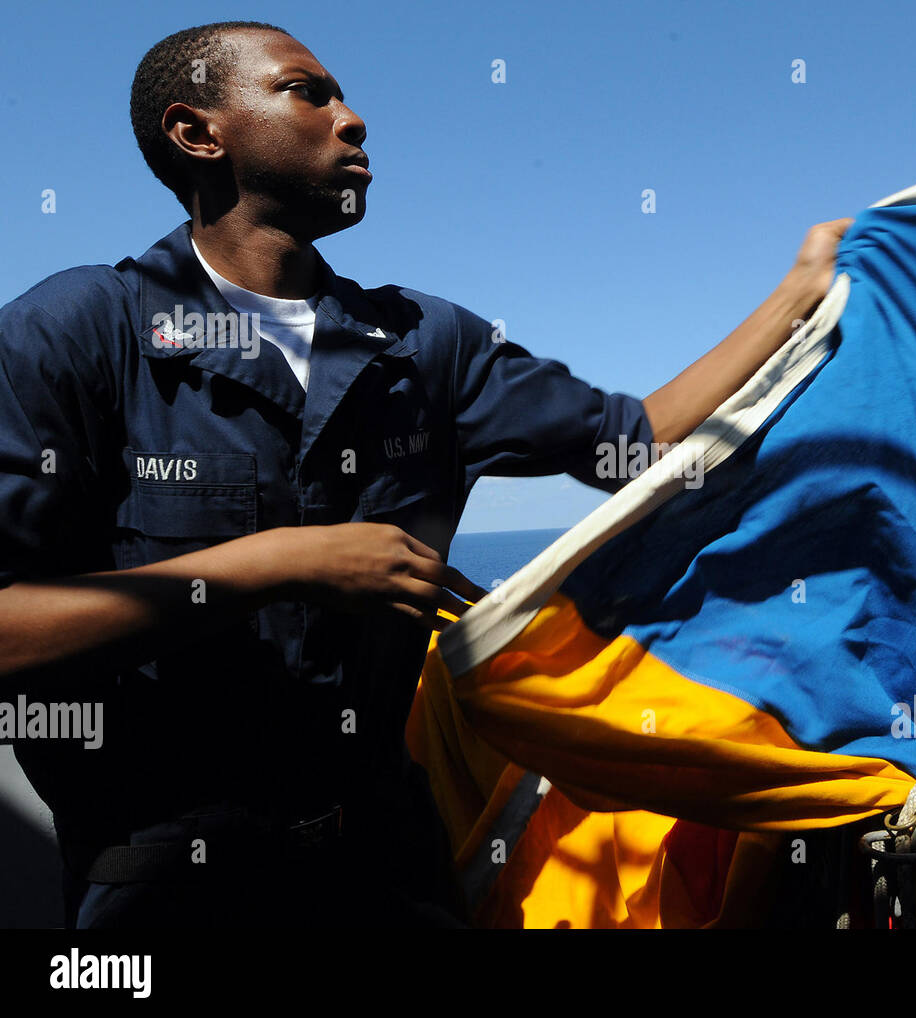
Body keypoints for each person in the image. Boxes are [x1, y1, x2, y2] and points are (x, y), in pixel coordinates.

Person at [0, 20, 851, 928]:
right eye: (309, 92)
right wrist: (275, 565)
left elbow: (635, 445)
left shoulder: (426, 343)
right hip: (167, 888)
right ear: (198, 133)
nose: (354, 119)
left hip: (389, 864)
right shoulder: (78, 331)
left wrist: (799, 294)